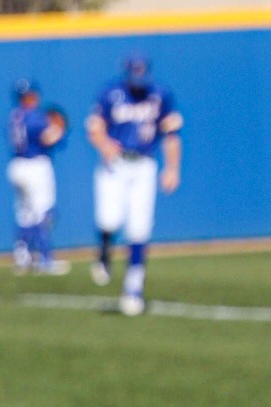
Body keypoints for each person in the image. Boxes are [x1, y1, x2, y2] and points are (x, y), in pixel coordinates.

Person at [86, 53, 183, 315]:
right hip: (115, 163)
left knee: (139, 228)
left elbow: (171, 134)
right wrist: (104, 144)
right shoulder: (111, 93)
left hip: (144, 164)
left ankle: (133, 287)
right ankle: (105, 251)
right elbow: (94, 127)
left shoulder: (160, 94)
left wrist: (172, 168)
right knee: (109, 220)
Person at [6, 78, 71, 276]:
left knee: (24, 214)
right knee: (44, 213)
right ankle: (45, 259)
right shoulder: (36, 117)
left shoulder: (13, 116)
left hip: (16, 166)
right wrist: (60, 131)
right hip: (35, 165)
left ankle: (22, 255)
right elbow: (48, 138)